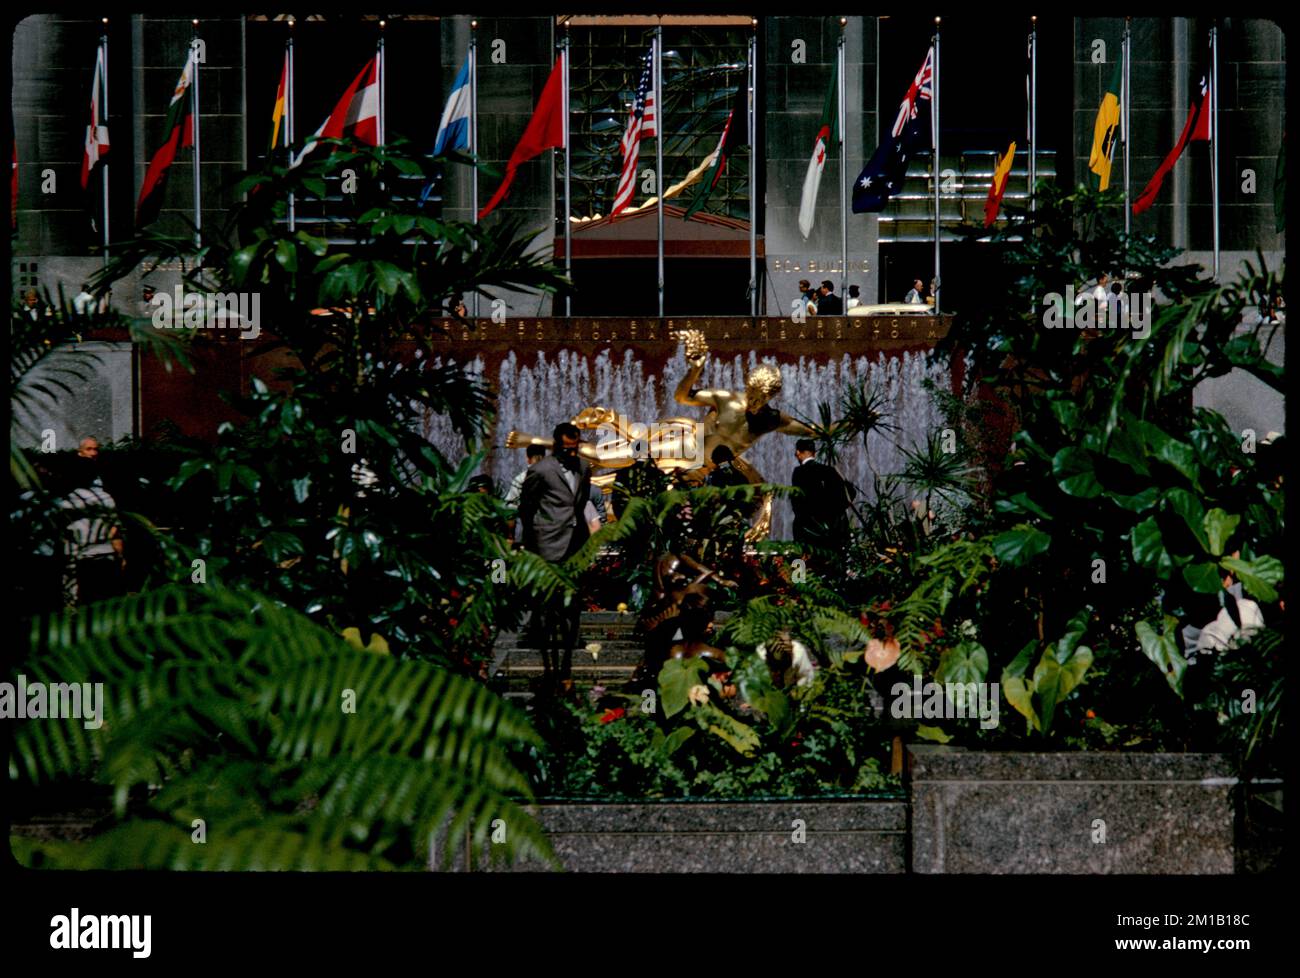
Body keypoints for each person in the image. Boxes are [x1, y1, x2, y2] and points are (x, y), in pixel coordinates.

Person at [519, 422, 593, 685]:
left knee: (573, 597)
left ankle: (570, 645)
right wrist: (531, 542)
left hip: (575, 542)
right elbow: (526, 508)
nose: (573, 453)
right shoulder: (540, 470)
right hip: (547, 541)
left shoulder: (585, 468)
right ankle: (544, 646)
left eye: (576, 448)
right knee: (547, 601)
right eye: (567, 449)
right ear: (556, 445)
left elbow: (581, 502)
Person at [60, 457, 125, 606]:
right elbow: (114, 529)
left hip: (79, 558)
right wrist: (121, 556)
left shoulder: (66, 502)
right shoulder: (105, 498)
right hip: (105, 556)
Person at [790, 438, 855, 550]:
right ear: (815, 453)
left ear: (798, 453)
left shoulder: (799, 472)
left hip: (809, 529)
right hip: (832, 530)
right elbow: (850, 492)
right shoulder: (829, 470)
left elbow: (797, 501)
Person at [505, 443, 547, 541]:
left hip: (529, 529)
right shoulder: (554, 477)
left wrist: (510, 536)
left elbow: (511, 509)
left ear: (527, 458)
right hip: (553, 529)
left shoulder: (520, 479)